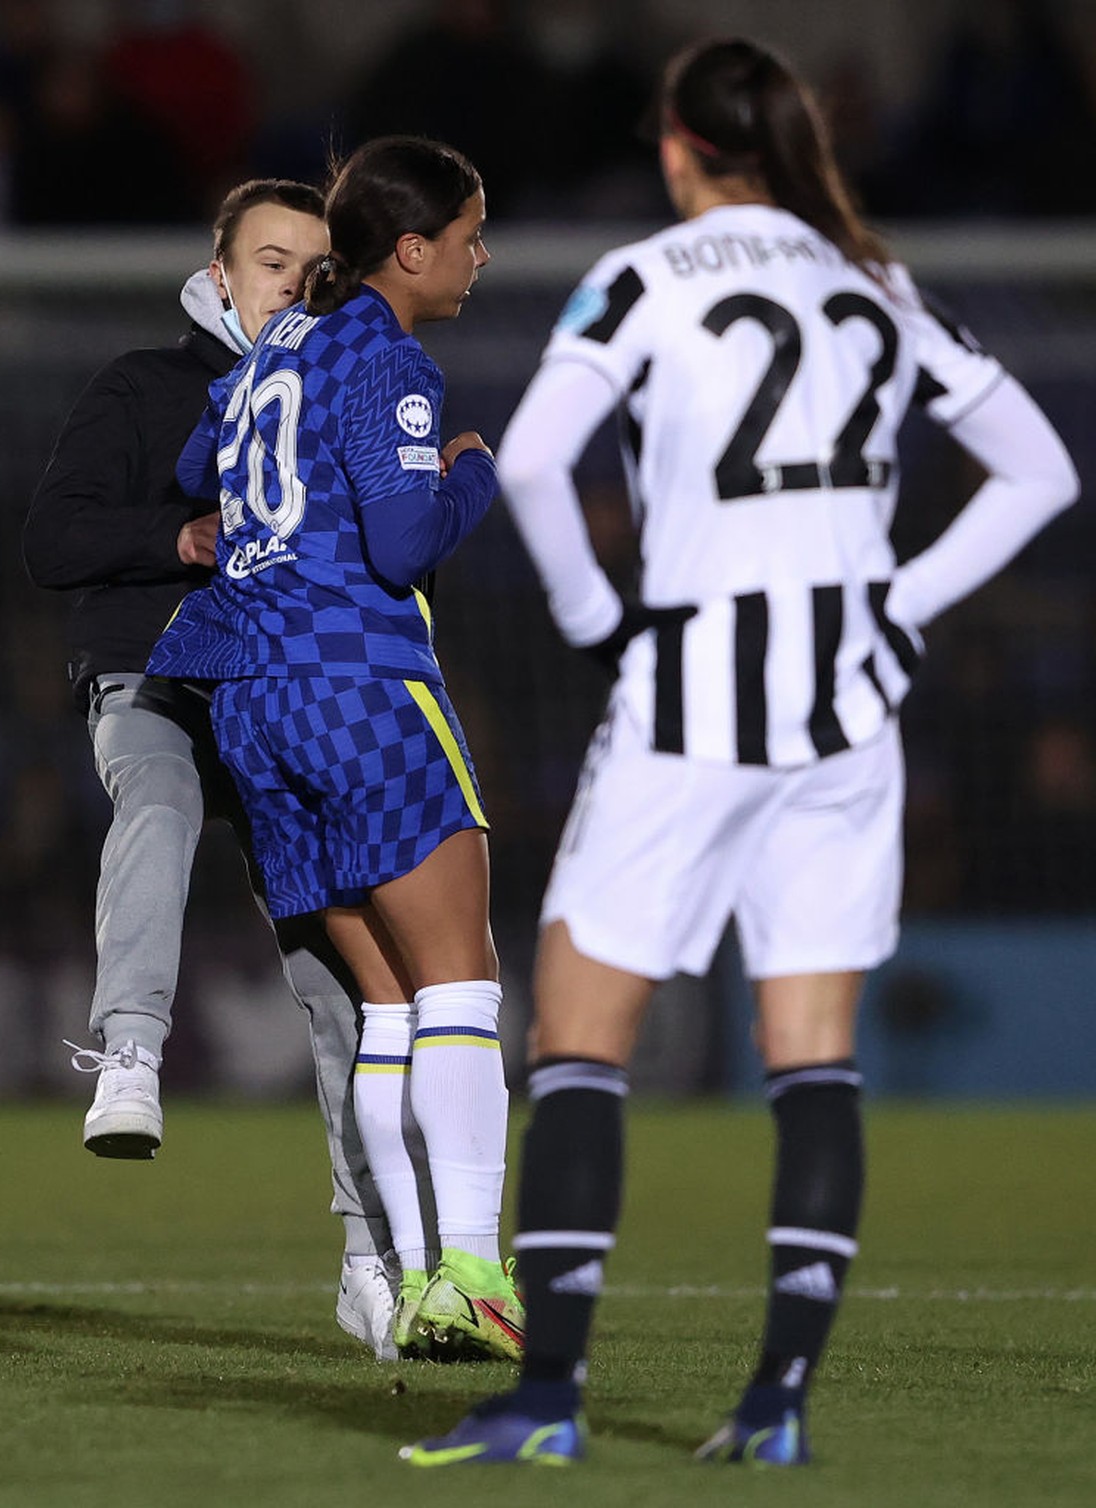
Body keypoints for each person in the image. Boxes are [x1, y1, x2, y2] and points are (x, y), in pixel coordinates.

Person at [403, 37, 1079, 1465]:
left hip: (693, 698)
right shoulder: (876, 281)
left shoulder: (645, 279)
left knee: (581, 1041)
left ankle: (549, 1401)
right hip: (849, 711)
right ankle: (774, 1410)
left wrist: (602, 625)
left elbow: (529, 459)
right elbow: (1044, 470)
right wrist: (904, 602)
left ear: (674, 150)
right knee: (813, 1059)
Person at [147, 136, 524, 1363]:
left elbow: (199, 467)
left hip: (251, 702)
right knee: (461, 983)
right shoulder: (388, 359)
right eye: (469, 234)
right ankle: (473, 1272)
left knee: (388, 1004)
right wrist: (473, 475)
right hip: (359, 688)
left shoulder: (273, 355)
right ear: (410, 250)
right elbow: (407, 542)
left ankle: (416, 1284)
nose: (478, 255)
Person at [23, 178, 402, 1361]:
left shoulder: (344, 395)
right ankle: (129, 1052)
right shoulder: (143, 386)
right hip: (153, 675)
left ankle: (370, 1258)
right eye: (271, 258)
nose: (293, 279)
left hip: (283, 696)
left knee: (337, 975)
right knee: (162, 795)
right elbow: (52, 539)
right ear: (221, 271)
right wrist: (176, 535)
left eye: (312, 262)